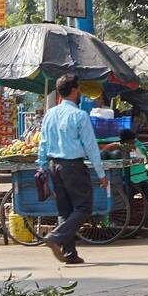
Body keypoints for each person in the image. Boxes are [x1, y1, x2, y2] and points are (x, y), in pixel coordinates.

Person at [36, 74, 107, 265]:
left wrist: (42, 166)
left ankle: (69, 254)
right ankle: (56, 236)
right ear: (76, 90)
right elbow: (91, 147)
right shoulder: (80, 115)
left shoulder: (50, 114)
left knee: (64, 210)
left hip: (53, 165)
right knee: (84, 207)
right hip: (73, 165)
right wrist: (101, 174)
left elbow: (42, 143)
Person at [109, 127, 148, 202]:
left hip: (130, 183)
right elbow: (145, 161)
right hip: (141, 181)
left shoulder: (123, 149)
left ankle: (129, 205)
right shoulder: (139, 148)